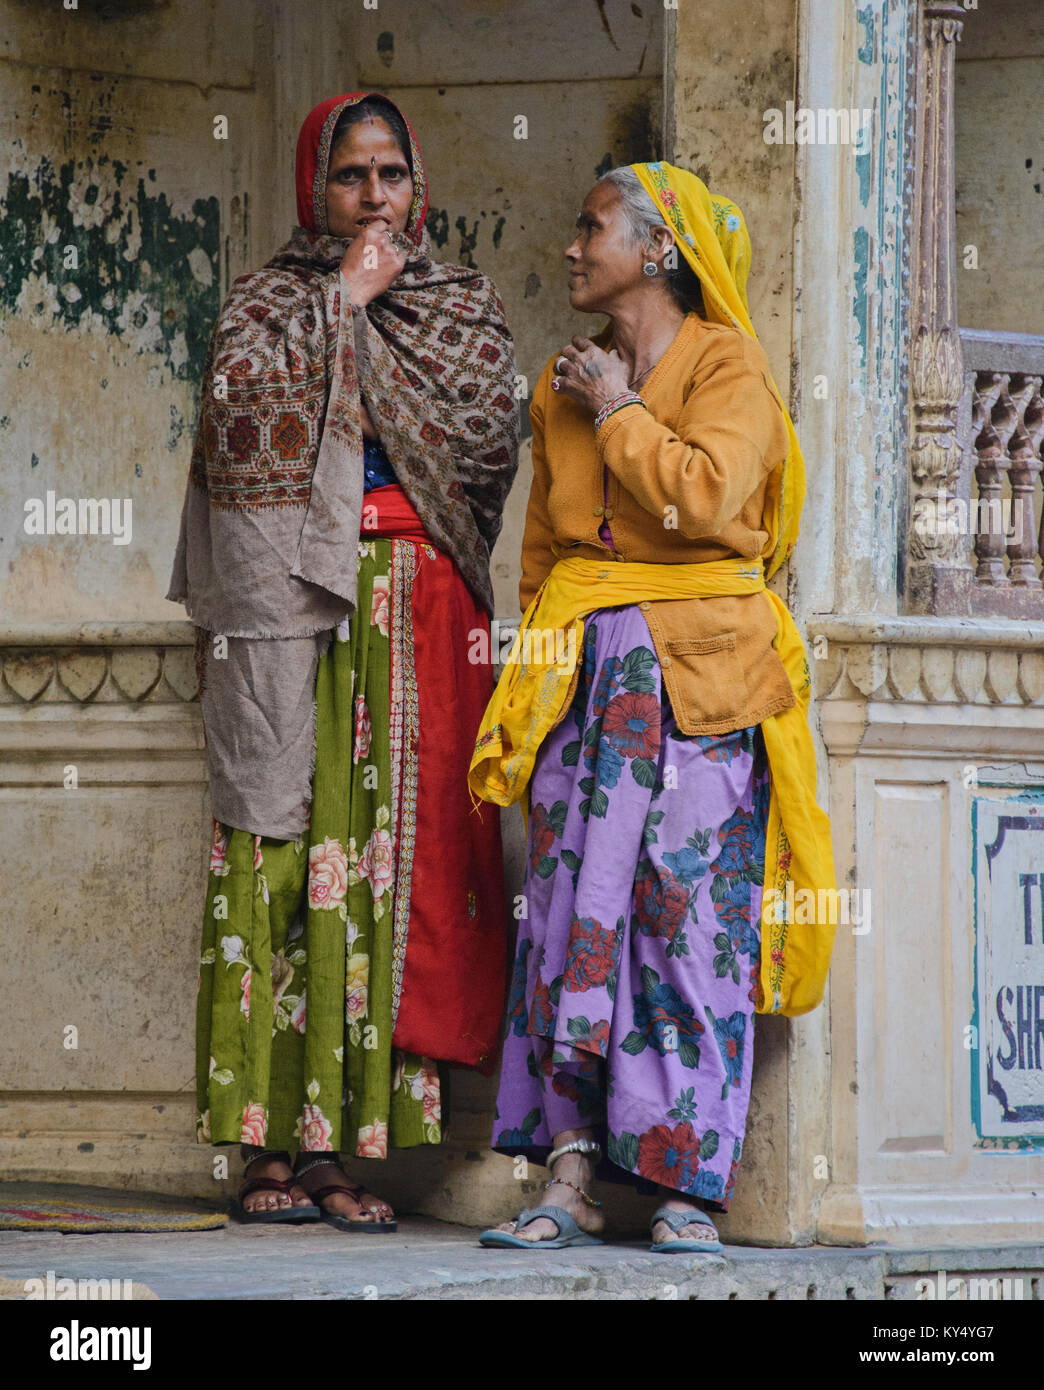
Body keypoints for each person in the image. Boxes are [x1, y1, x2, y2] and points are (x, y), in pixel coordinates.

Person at [167, 92, 519, 1228]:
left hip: (416, 617)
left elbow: (483, 450)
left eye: (391, 176)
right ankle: (266, 1148)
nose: (374, 198)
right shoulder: (270, 301)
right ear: (314, 187)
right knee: (280, 858)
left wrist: (376, 307)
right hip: (288, 618)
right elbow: (231, 418)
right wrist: (341, 303)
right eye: (351, 177)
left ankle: (344, 1154)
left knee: (375, 871)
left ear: (419, 183)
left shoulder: (461, 305)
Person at [469, 161, 836, 1250]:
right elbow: (546, 554)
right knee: (569, 923)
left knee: (688, 928)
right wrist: (541, 692)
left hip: (705, 686)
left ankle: (684, 1190)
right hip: (587, 689)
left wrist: (620, 409)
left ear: (657, 250)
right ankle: (567, 1179)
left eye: (592, 228)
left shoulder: (729, 366)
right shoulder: (560, 382)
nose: (573, 247)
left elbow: (706, 497)